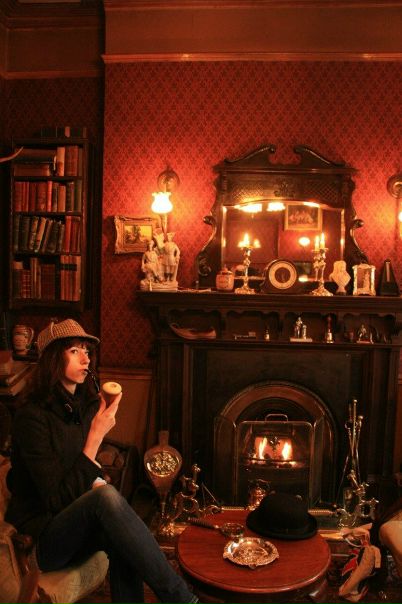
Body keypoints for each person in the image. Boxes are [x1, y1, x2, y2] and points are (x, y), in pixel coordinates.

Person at [5, 319, 199, 604]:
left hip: (74, 526)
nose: (86, 358)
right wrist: (95, 436)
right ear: (52, 359)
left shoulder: (84, 407)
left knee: (122, 536)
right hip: (41, 539)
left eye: (86, 350)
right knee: (105, 498)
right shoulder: (31, 417)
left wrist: (96, 480)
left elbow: (79, 474)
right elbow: (56, 500)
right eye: (74, 351)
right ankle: (184, 600)